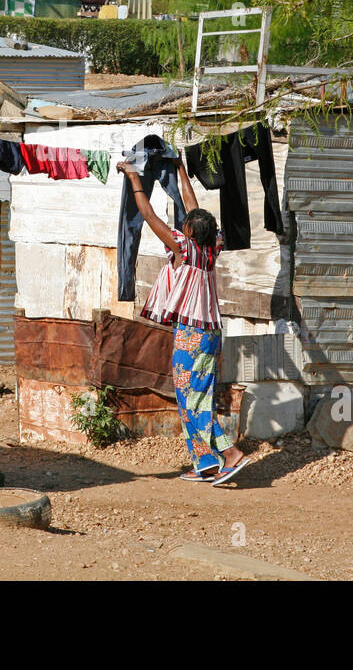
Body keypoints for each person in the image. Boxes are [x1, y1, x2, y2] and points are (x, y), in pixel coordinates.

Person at [117, 156, 250, 486]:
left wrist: (134, 177)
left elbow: (148, 215)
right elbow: (192, 206)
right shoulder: (211, 247)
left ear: (190, 232)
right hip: (211, 333)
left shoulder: (184, 248)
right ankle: (205, 462)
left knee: (192, 399)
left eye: (187, 224)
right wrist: (178, 168)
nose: (183, 224)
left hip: (192, 335)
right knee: (193, 397)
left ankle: (230, 455)